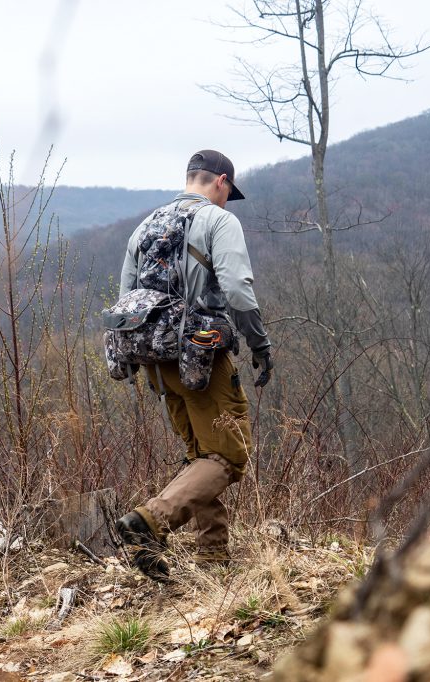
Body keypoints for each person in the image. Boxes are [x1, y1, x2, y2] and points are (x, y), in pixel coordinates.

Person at [114, 149, 273, 579]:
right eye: (228, 192)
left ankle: (213, 561)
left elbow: (125, 298)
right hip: (202, 356)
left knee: (202, 456)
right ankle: (149, 523)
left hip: (155, 359)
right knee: (229, 456)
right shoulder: (219, 221)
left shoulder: (145, 227)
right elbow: (239, 290)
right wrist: (259, 345)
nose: (227, 200)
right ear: (221, 182)